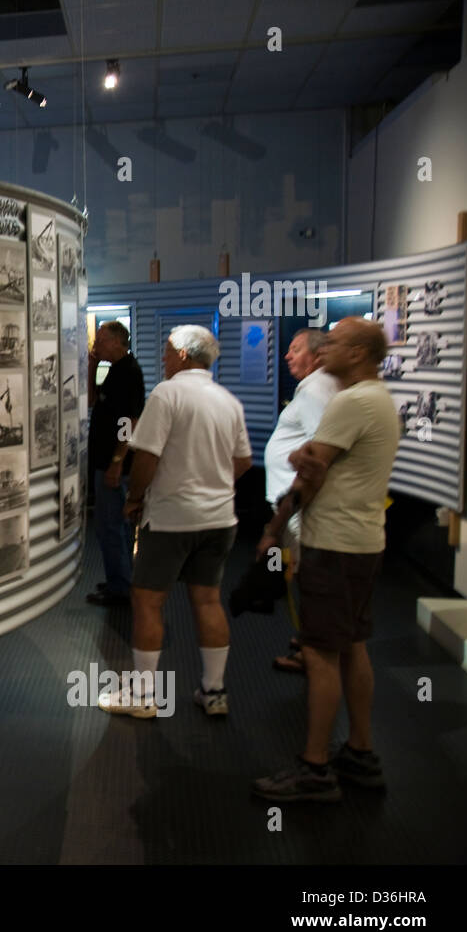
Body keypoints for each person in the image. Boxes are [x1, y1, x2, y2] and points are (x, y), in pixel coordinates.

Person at [252, 317, 399, 802]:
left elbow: (312, 471)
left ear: (358, 352)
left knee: (319, 652)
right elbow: (317, 458)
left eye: (334, 341)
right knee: (352, 644)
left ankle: (315, 768)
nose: (323, 347)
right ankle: (360, 751)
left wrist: (274, 529)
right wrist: (305, 457)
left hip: (333, 544)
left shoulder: (350, 401)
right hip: (362, 541)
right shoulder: (379, 400)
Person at [99, 325, 251, 719]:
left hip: (170, 519)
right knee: (207, 600)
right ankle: (214, 691)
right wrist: (211, 486)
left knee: (148, 602)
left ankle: (145, 696)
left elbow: (146, 456)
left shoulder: (167, 394)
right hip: (219, 519)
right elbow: (243, 461)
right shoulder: (227, 400)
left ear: (183, 355)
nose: (163, 359)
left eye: (167, 352)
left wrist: (134, 499)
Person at [263, 328, 338, 673]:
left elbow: (317, 454)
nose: (287, 355)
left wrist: (289, 506)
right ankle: (307, 638)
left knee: (306, 575)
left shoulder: (315, 390)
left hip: (299, 507)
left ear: (318, 355)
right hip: (295, 505)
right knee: (300, 572)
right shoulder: (315, 387)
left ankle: (313, 651)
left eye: (296, 349)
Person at [85, 322, 145, 606]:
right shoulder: (115, 371)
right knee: (116, 526)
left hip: (113, 465)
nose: (96, 345)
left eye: (101, 341)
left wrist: (117, 463)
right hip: (106, 462)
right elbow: (93, 399)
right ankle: (120, 580)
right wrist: (92, 365)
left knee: (110, 526)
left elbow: (128, 422)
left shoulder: (129, 374)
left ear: (118, 342)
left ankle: (119, 588)